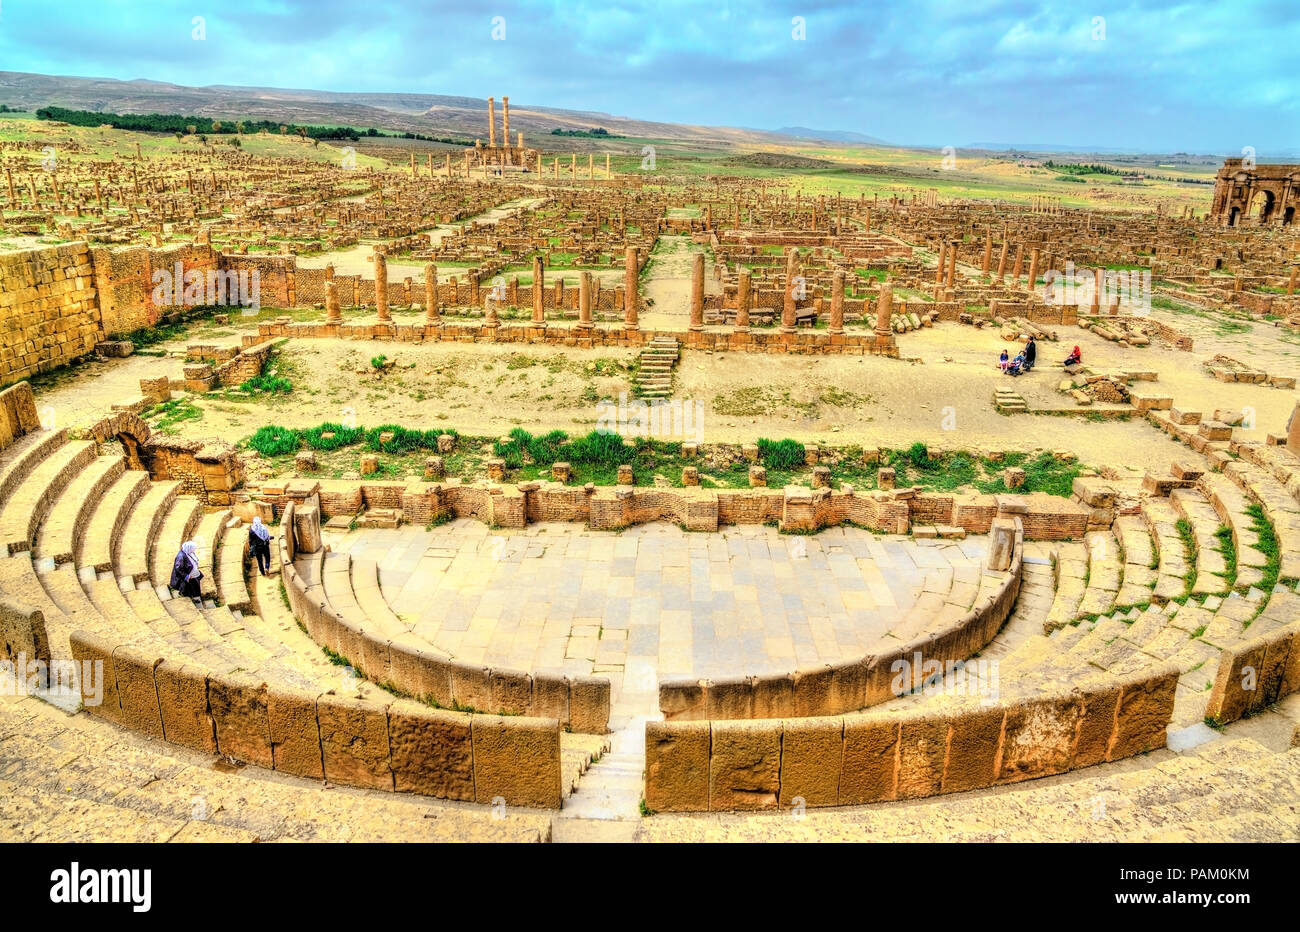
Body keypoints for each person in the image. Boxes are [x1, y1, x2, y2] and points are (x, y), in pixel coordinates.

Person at [169, 541, 203, 606]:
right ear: (189, 548)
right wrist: (186, 576)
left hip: (193, 573)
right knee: (190, 587)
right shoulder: (181, 556)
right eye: (193, 549)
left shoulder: (189, 552)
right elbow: (178, 569)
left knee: (194, 587)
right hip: (188, 576)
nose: (194, 550)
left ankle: (192, 597)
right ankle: (189, 598)